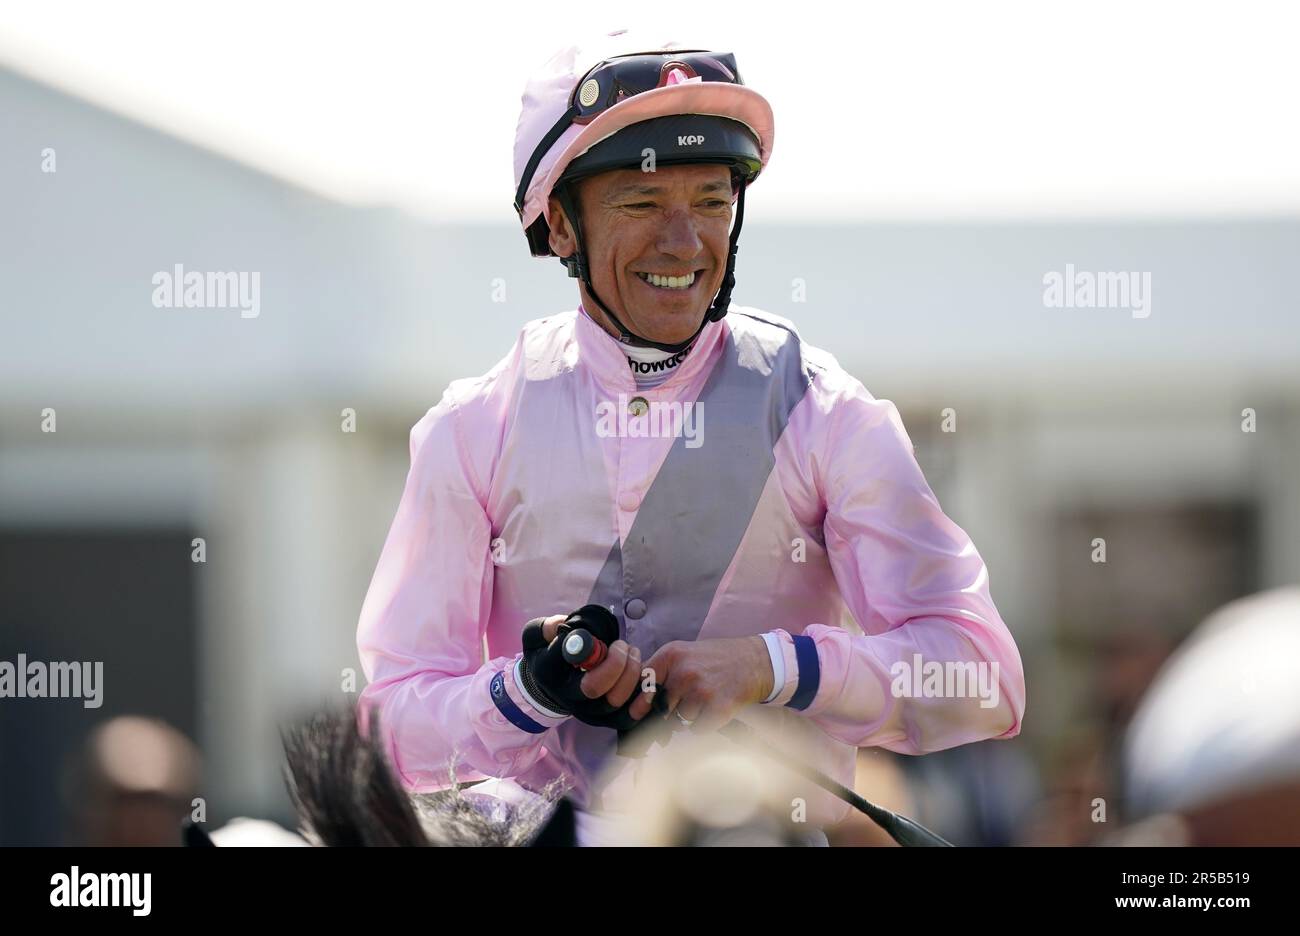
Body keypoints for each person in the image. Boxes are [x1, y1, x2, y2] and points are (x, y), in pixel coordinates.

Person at [356, 29, 1025, 841]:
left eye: (711, 202)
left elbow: (982, 677)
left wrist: (775, 667)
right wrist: (528, 690)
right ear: (560, 228)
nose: (684, 243)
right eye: (642, 204)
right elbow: (389, 730)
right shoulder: (470, 430)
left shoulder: (830, 412)